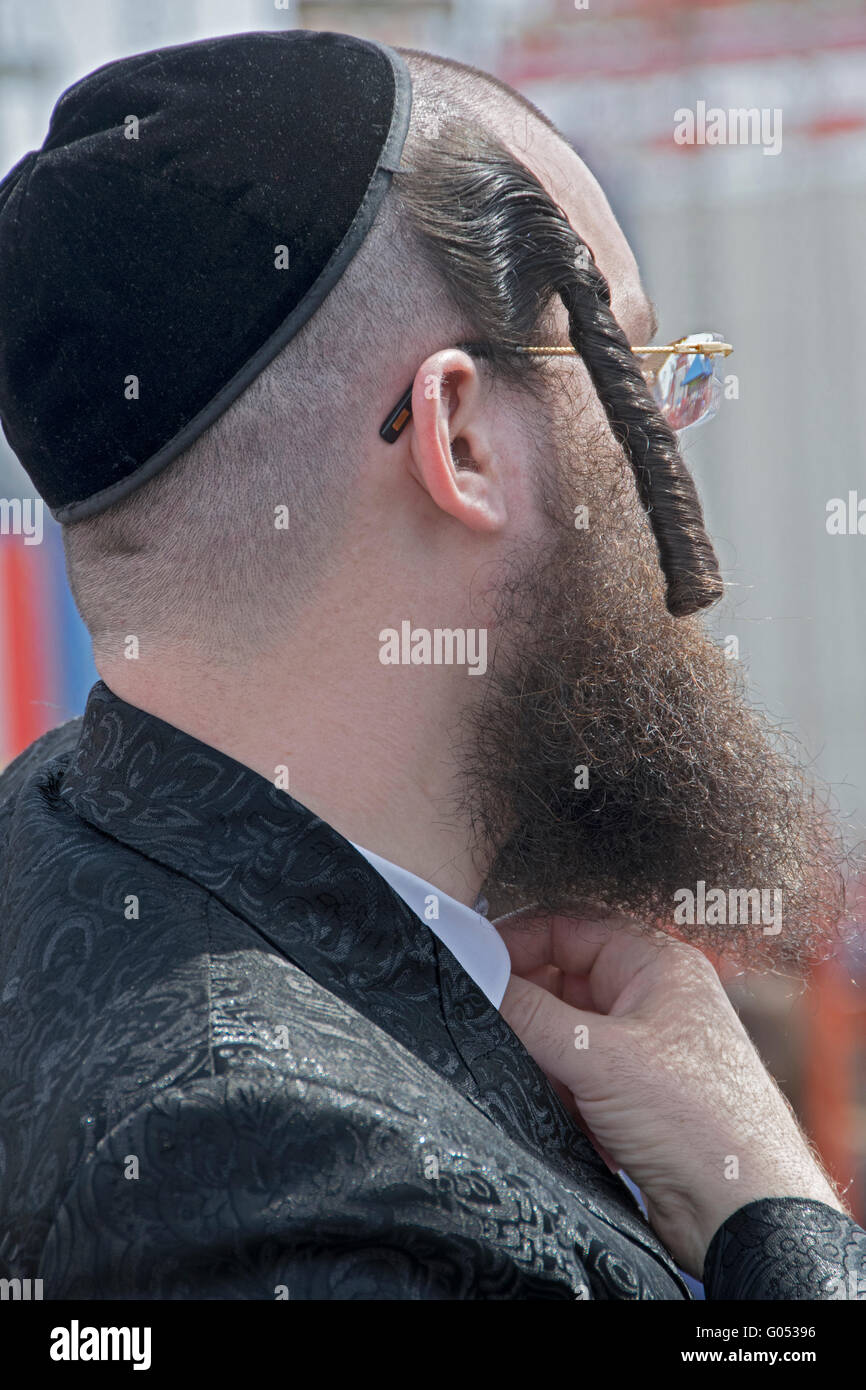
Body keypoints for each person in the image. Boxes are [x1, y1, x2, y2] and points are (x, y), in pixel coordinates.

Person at [0, 28, 862, 1300]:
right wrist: (777, 1229)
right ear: (456, 439)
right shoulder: (307, 1190)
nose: (670, 454)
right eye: (637, 373)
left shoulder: (63, 822)